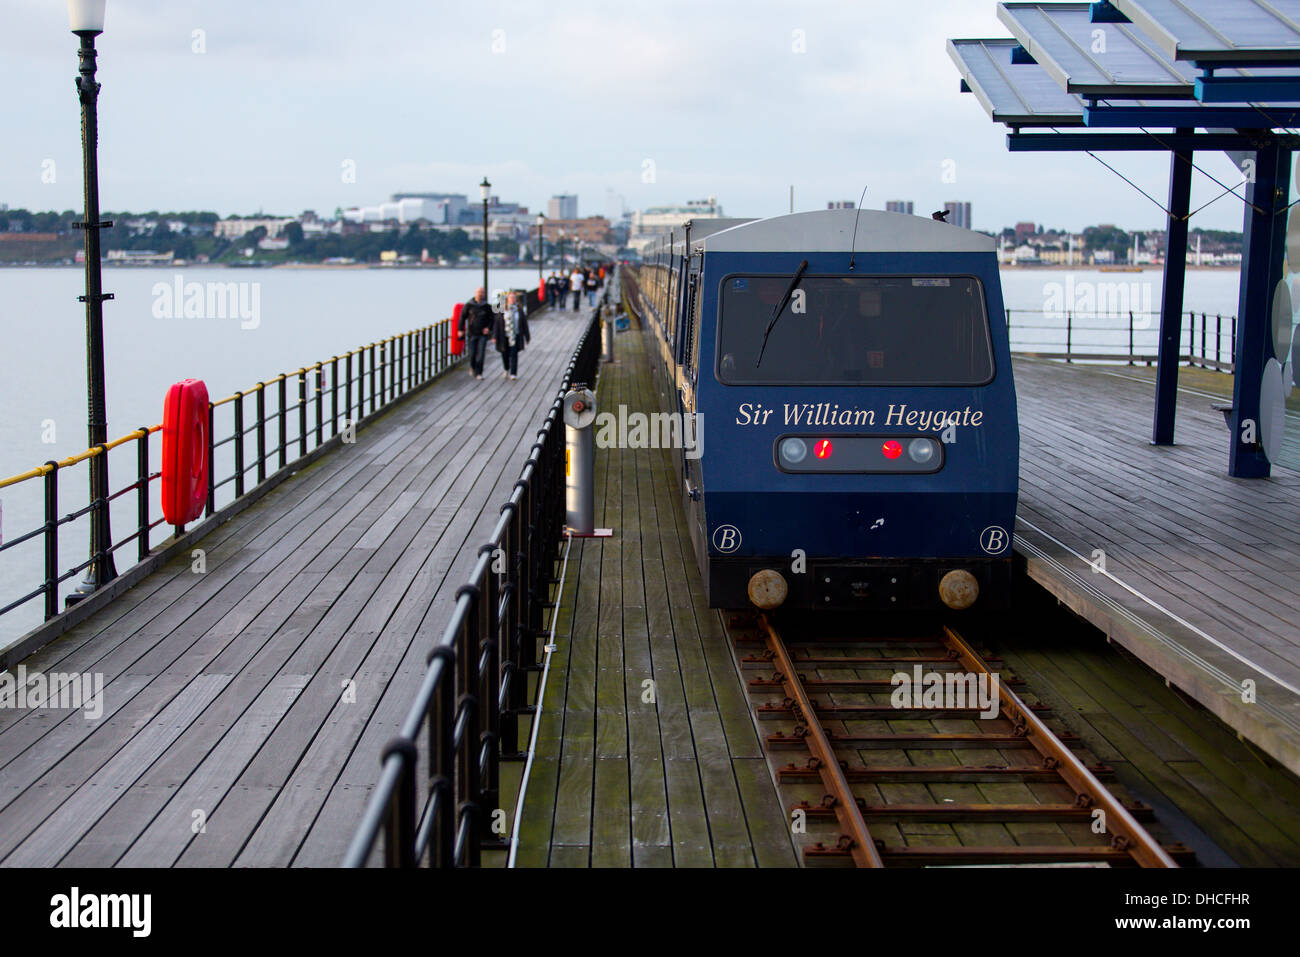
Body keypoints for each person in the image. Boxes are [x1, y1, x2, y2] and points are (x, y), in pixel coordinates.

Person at [461, 285, 496, 380]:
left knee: (481, 354)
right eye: (479, 292)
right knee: (472, 354)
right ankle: (472, 366)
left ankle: (479, 373)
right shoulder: (469, 305)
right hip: (472, 333)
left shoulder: (487, 307)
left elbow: (492, 319)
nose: (480, 294)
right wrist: (460, 330)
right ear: (475, 294)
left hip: (482, 334)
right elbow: (462, 317)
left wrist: (489, 328)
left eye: (482, 293)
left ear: (484, 294)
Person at [493, 291, 530, 380]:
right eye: (511, 298)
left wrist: (527, 336)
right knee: (504, 354)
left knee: (514, 354)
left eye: (514, 298)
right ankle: (506, 368)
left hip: (515, 335)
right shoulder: (502, 310)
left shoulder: (519, 310)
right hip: (504, 335)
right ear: (507, 299)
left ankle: (513, 373)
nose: (512, 299)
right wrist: (494, 336)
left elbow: (524, 324)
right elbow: (497, 324)